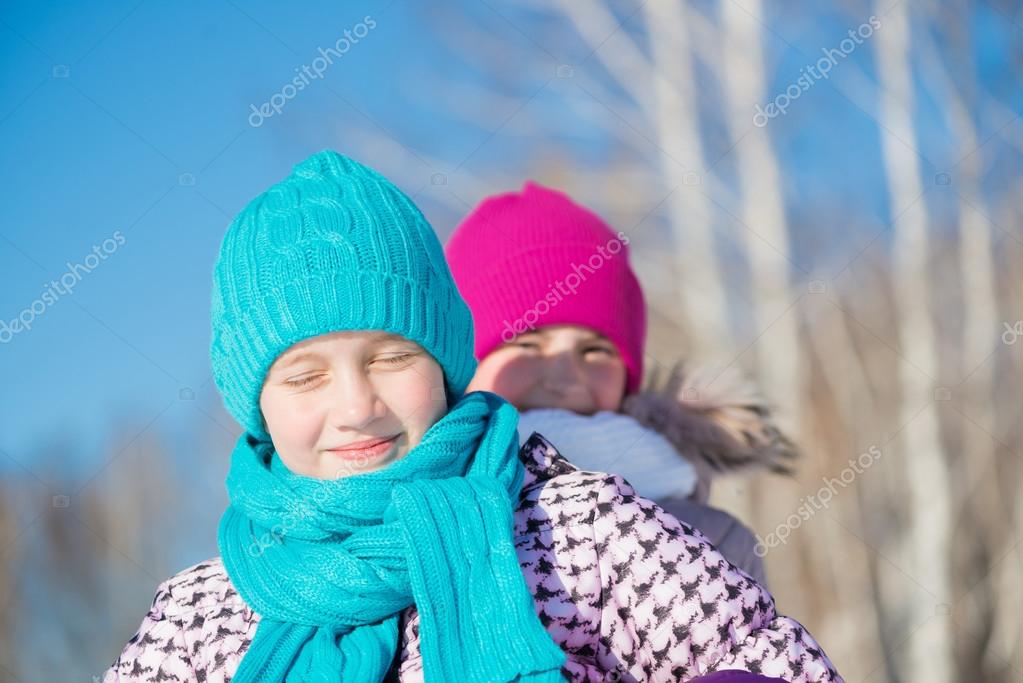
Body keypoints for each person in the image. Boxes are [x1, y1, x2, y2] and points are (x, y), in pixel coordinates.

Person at [103, 151, 841, 682]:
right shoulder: (203, 609)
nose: (356, 405)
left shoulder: (577, 528)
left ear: (448, 364)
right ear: (252, 405)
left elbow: (759, 653)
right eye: (304, 375)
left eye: (391, 357)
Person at [445, 181, 799, 587]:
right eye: (526, 343)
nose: (565, 377)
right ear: (462, 365)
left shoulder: (705, 539)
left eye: (595, 350)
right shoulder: (409, 510)